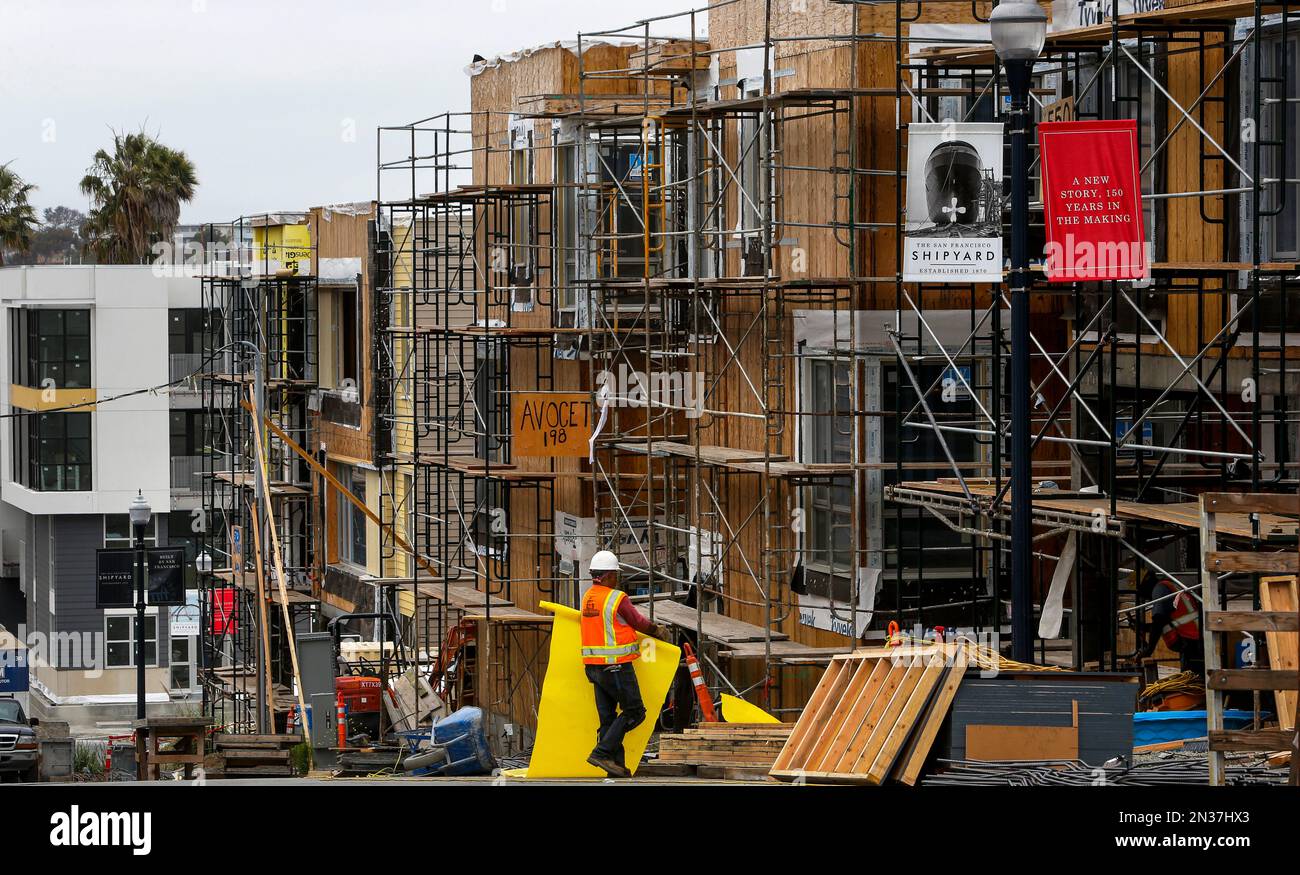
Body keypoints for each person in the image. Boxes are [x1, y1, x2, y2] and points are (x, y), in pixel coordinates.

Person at [580, 549, 669, 777]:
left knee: (608, 719)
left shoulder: (588, 597)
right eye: (616, 575)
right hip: (616, 666)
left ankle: (615, 766)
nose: (617, 579)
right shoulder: (616, 598)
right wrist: (656, 630)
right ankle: (601, 753)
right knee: (635, 712)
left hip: (593, 667)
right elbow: (637, 621)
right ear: (609, 575)